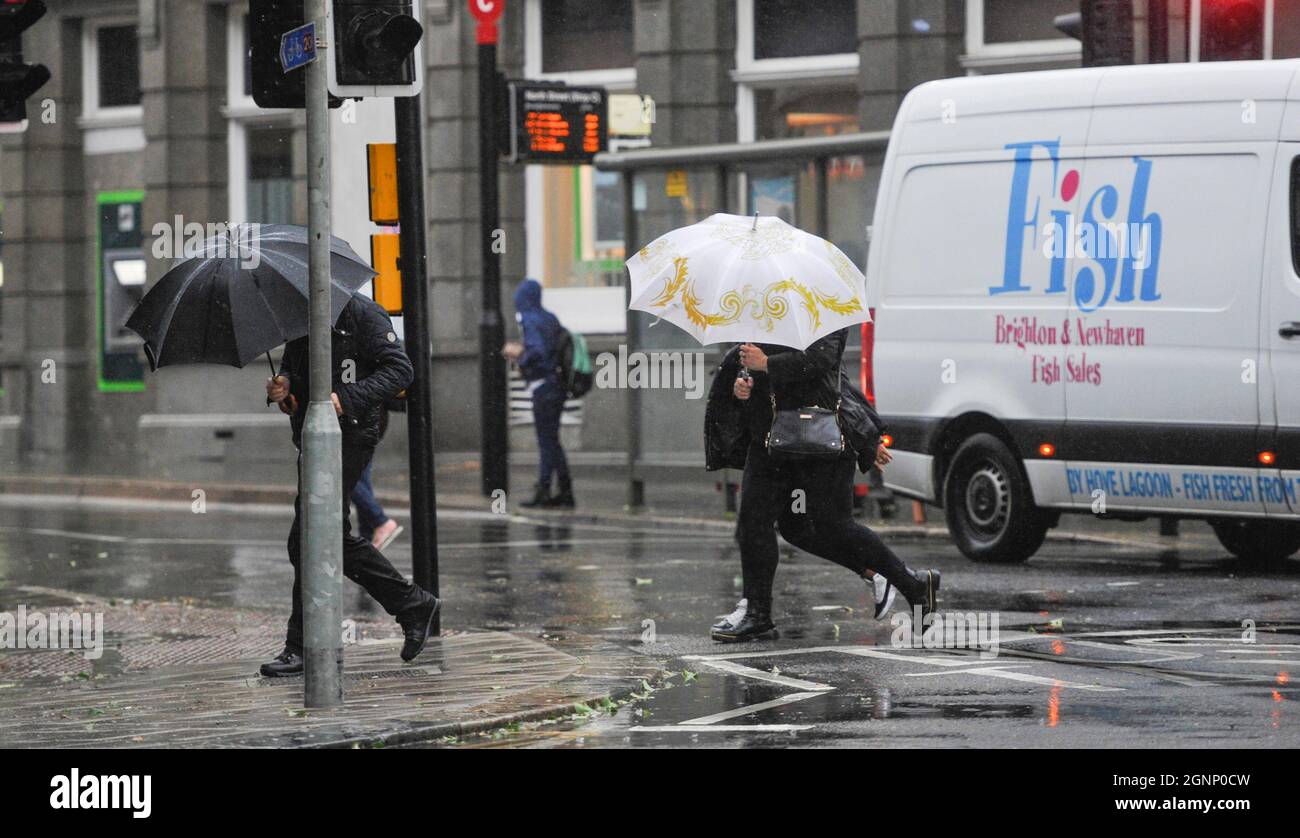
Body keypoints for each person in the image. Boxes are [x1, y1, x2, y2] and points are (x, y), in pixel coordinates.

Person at [705, 330, 940, 643]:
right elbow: (751, 366)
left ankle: (911, 583)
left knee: (832, 524)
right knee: (756, 522)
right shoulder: (760, 309)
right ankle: (757, 613)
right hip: (769, 440)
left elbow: (821, 360)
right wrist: (743, 384)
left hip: (818, 435)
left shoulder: (822, 301)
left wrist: (766, 364)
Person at [260, 293, 439, 677]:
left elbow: (400, 370)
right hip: (313, 436)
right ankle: (411, 604)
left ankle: (301, 647)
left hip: (351, 437)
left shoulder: (363, 313)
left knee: (310, 536)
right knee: (319, 535)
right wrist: (284, 388)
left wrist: (347, 398)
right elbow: (297, 372)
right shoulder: (303, 319)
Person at [502, 278, 574, 509]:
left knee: (546, 441)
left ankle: (545, 490)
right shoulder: (549, 317)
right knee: (552, 441)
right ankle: (565, 490)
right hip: (557, 386)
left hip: (544, 387)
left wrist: (519, 356)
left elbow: (538, 352)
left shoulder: (530, 319)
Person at [350, 403, 403, 551]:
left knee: (344, 475)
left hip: (359, 422)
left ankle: (379, 521)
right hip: (367, 421)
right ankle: (367, 541)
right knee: (360, 479)